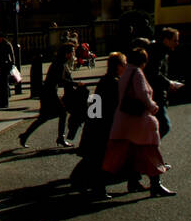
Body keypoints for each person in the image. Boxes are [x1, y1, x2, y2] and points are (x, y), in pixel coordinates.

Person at [102, 47, 175, 197]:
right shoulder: (137, 73)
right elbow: (142, 94)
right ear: (143, 61)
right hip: (138, 121)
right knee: (150, 151)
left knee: (118, 156)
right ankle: (156, 185)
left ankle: (106, 184)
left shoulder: (124, 74)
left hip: (122, 121)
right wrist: (153, 106)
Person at [70, 51, 126, 200]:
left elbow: (96, 103)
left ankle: (83, 183)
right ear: (119, 66)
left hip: (97, 123)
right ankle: (97, 188)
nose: (125, 67)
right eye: (124, 64)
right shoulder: (114, 82)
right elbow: (114, 106)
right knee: (100, 159)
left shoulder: (105, 80)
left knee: (95, 158)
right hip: (104, 125)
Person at [19, 42, 77, 148]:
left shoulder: (61, 62)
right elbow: (60, 79)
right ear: (66, 53)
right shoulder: (59, 63)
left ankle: (24, 136)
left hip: (48, 92)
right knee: (62, 113)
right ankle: (61, 138)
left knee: (44, 118)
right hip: (49, 93)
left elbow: (66, 78)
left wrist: (73, 84)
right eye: (72, 52)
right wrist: (75, 84)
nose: (73, 54)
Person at [145, 28, 182, 138]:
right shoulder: (159, 52)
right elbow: (154, 73)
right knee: (164, 126)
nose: (177, 43)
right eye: (175, 40)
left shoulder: (161, 51)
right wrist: (168, 84)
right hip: (156, 95)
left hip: (157, 94)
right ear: (166, 40)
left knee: (157, 126)